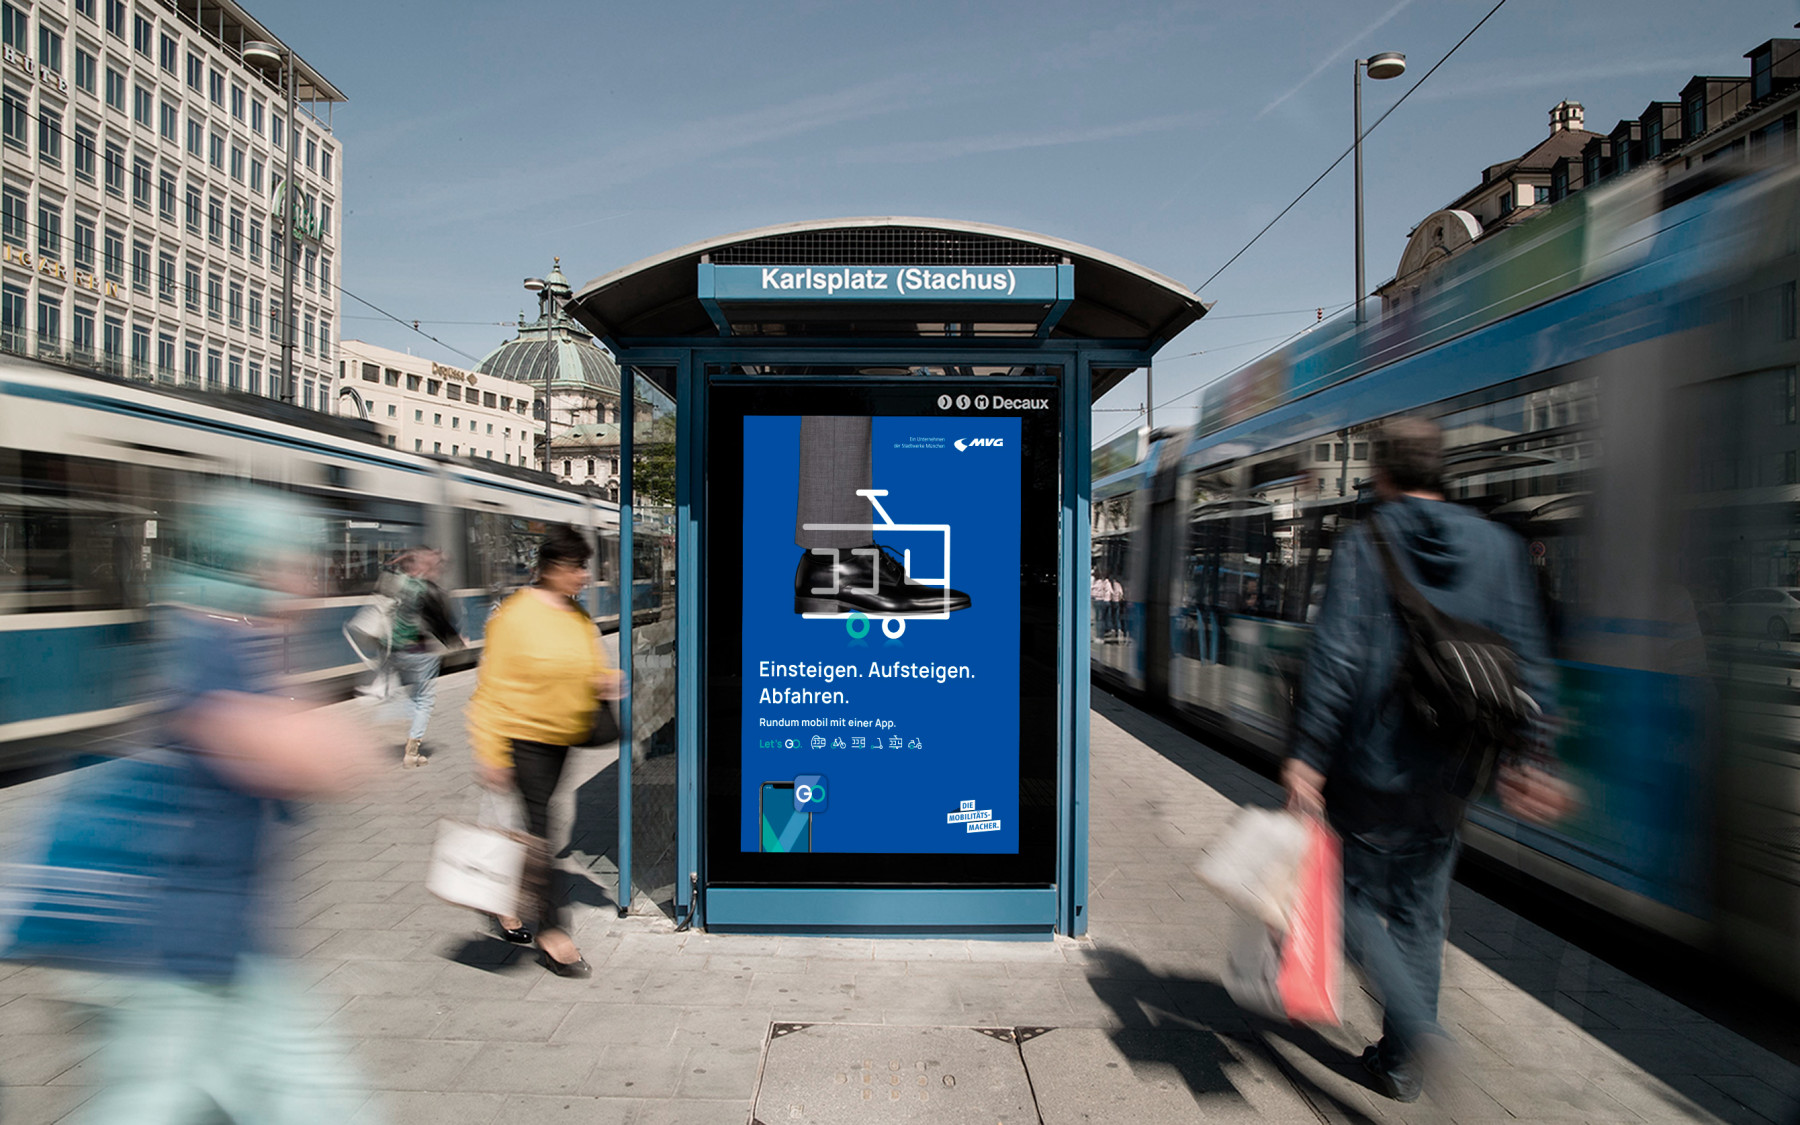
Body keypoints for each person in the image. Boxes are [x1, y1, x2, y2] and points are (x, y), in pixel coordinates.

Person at [23, 485, 384, 1123]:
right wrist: (325, 741)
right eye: (300, 561)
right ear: (262, 565)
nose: (311, 578)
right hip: (169, 951)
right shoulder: (211, 639)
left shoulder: (222, 635)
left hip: (211, 949)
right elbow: (263, 739)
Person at [1282, 417, 1562, 1103]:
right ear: (1441, 470)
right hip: (1454, 768)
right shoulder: (1498, 546)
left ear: (1379, 472)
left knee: (1339, 894)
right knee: (1420, 913)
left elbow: (1337, 659)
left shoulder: (1364, 541)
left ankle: (1418, 1030)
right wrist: (1533, 753)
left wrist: (1308, 757)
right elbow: (1531, 657)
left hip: (1369, 762)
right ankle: (1402, 1065)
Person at [466, 524, 622, 978]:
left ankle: (505, 900)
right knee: (541, 831)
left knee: (531, 829)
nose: (584, 576)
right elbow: (490, 691)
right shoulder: (515, 616)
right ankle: (553, 933)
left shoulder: (574, 616)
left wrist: (604, 682)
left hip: (561, 738)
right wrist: (491, 752)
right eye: (578, 567)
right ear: (553, 568)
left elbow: (589, 665)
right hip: (524, 738)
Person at [390, 548, 462, 768]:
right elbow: (440, 621)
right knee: (424, 701)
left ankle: (404, 722)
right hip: (421, 651)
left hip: (398, 650)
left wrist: (399, 561)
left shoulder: (399, 583)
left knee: (413, 696)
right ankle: (412, 752)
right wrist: (455, 641)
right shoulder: (427, 589)